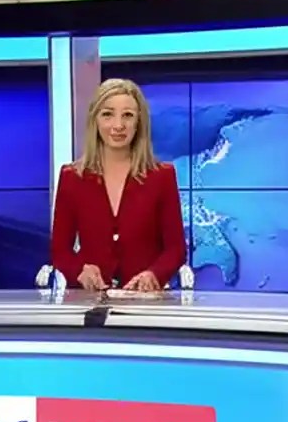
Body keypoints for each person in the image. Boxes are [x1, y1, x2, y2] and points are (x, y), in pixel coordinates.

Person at [50, 78, 186, 291]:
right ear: (95, 120)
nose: (118, 125)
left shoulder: (162, 176)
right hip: (89, 305)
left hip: (145, 306)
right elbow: (60, 251)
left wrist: (154, 275)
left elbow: (176, 250)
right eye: (108, 114)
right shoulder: (72, 177)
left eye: (128, 116)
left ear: (139, 122)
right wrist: (79, 270)